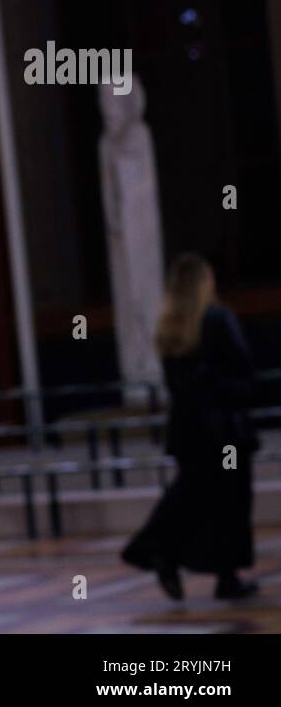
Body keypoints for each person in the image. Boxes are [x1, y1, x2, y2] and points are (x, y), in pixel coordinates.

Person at [121, 253, 259, 600]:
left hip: (189, 432)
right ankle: (211, 571)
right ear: (204, 284)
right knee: (229, 504)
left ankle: (163, 553)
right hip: (225, 431)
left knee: (193, 498)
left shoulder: (171, 329)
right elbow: (243, 376)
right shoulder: (217, 318)